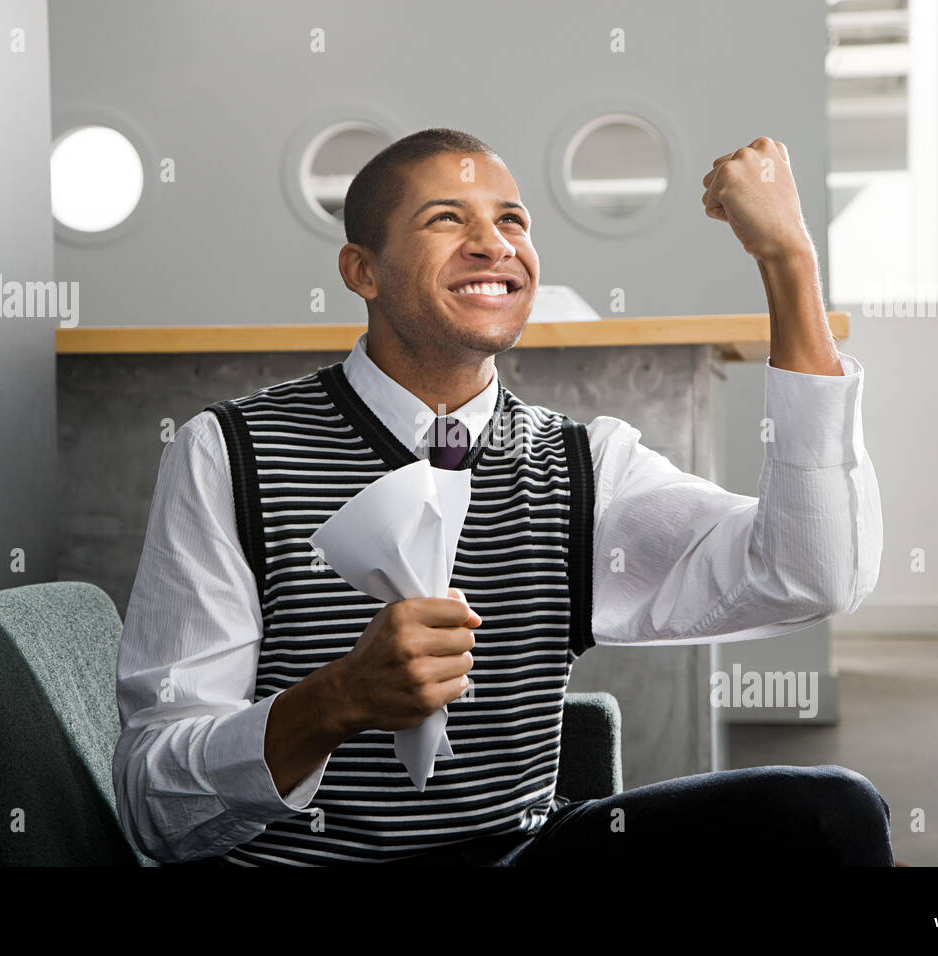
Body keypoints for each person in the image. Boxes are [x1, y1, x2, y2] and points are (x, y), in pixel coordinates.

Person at [112, 128, 891, 867]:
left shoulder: (584, 462)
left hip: (521, 852)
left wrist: (787, 258)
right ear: (363, 271)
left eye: (512, 220)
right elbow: (154, 799)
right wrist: (336, 700)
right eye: (446, 219)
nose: (494, 243)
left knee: (831, 812)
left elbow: (810, 574)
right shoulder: (231, 451)